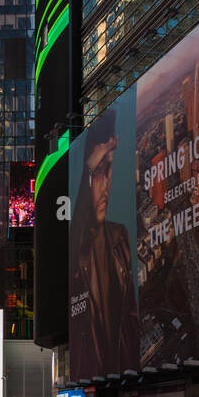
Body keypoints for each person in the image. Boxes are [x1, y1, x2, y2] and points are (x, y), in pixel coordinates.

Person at [67, 106, 137, 381]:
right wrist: (87, 168)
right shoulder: (75, 250)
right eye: (97, 174)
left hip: (122, 374)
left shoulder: (120, 237)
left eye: (108, 171)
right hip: (90, 376)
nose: (104, 184)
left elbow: (130, 319)